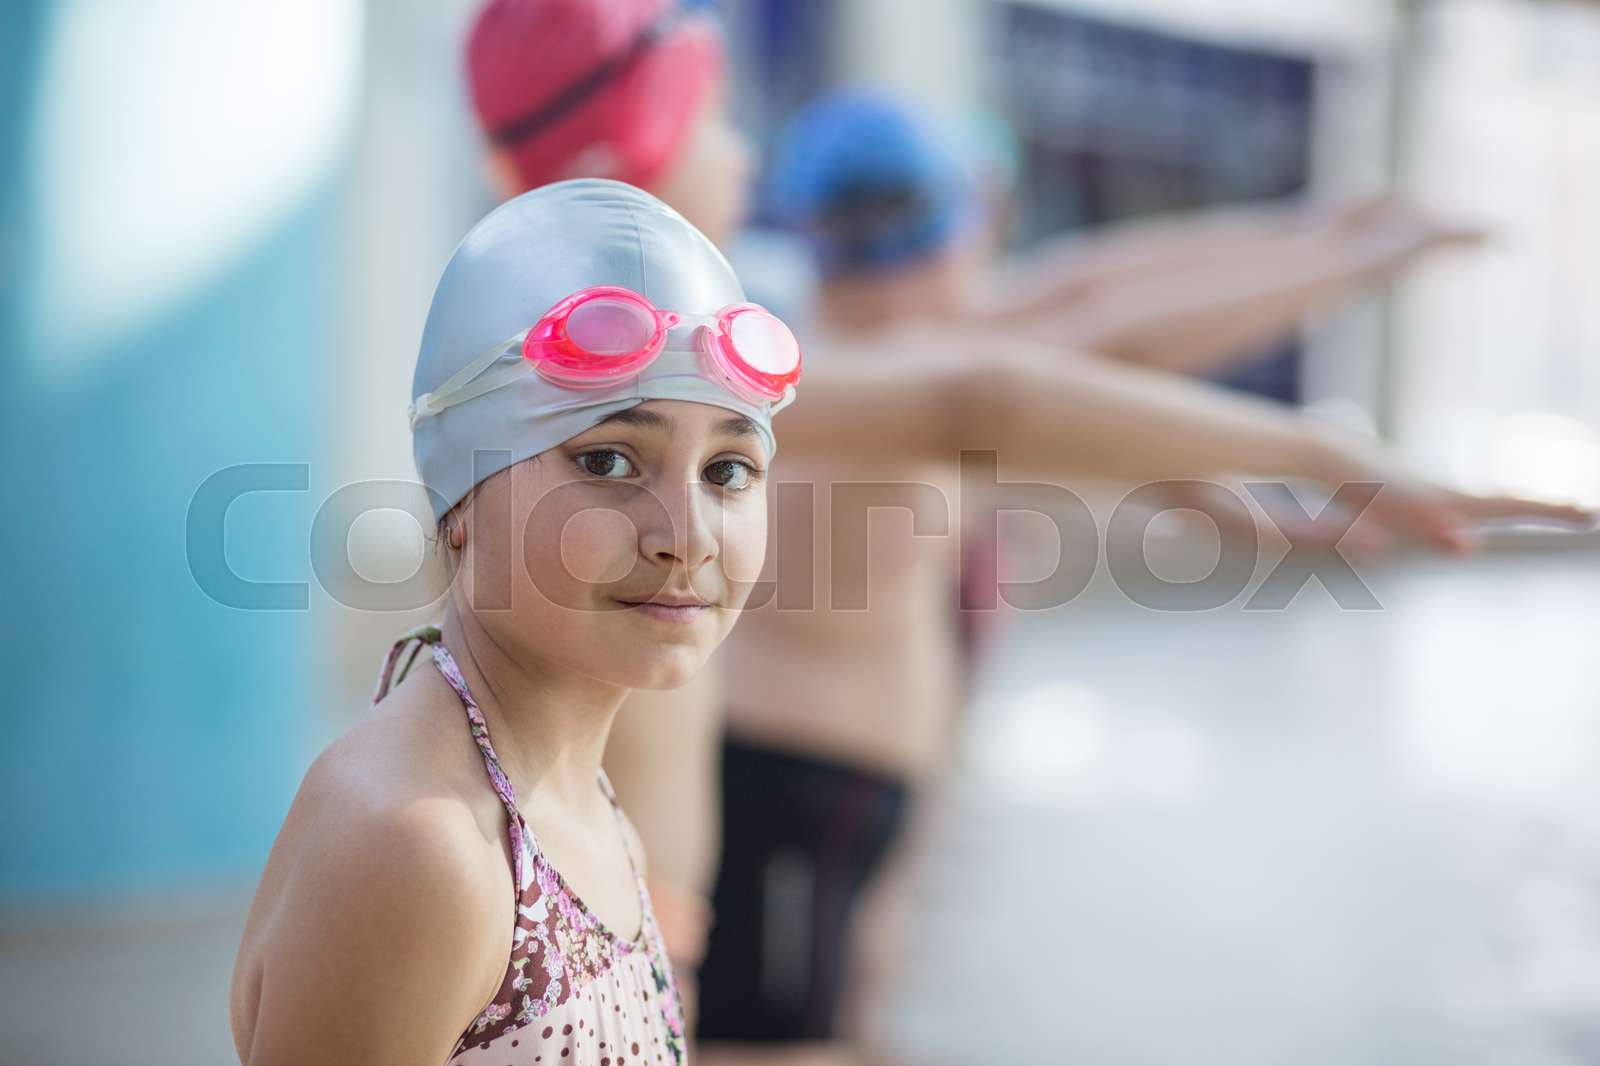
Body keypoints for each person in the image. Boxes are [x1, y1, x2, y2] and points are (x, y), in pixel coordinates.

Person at [462, 3, 1593, 1059]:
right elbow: (1032, 370)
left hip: (717, 837)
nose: (742, 150)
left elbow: (1074, 339)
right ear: (632, 149)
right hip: (755, 808)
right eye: (713, 114)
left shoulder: (670, 336)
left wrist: (1318, 288)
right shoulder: (682, 360)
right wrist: (1338, 421)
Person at [228, 178, 804, 1065]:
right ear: (458, 498)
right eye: (608, 460)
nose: (685, 538)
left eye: (728, 471)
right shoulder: (419, 846)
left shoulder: (565, 791)